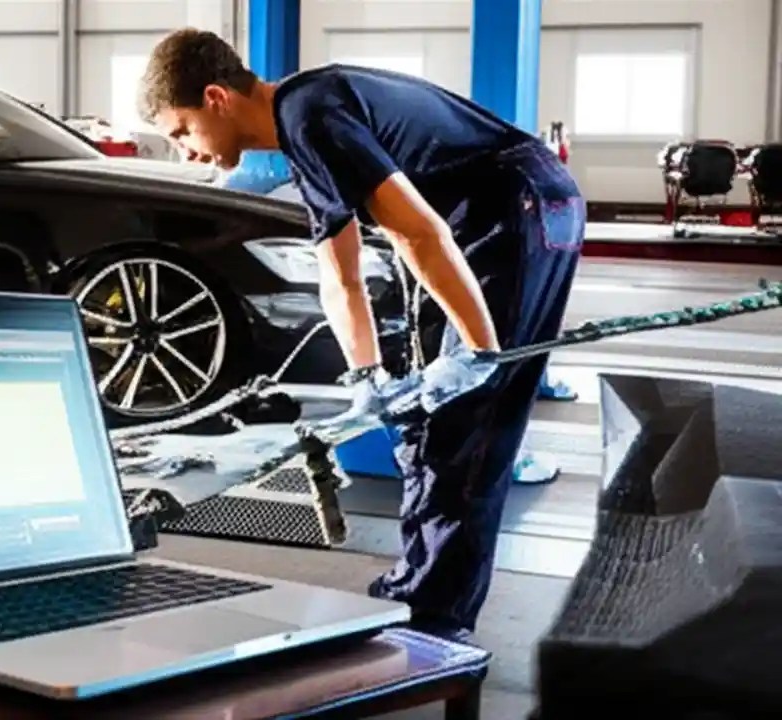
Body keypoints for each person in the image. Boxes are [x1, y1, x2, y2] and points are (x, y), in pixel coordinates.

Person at [137, 28, 583, 642]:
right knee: (426, 413)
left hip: (513, 210)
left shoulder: (311, 114)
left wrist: (479, 350)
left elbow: (418, 234)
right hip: (511, 210)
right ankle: (419, 593)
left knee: (466, 421)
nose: (186, 152)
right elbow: (339, 274)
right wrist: (366, 378)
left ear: (215, 97)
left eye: (181, 131)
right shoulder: (305, 121)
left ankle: (430, 618)